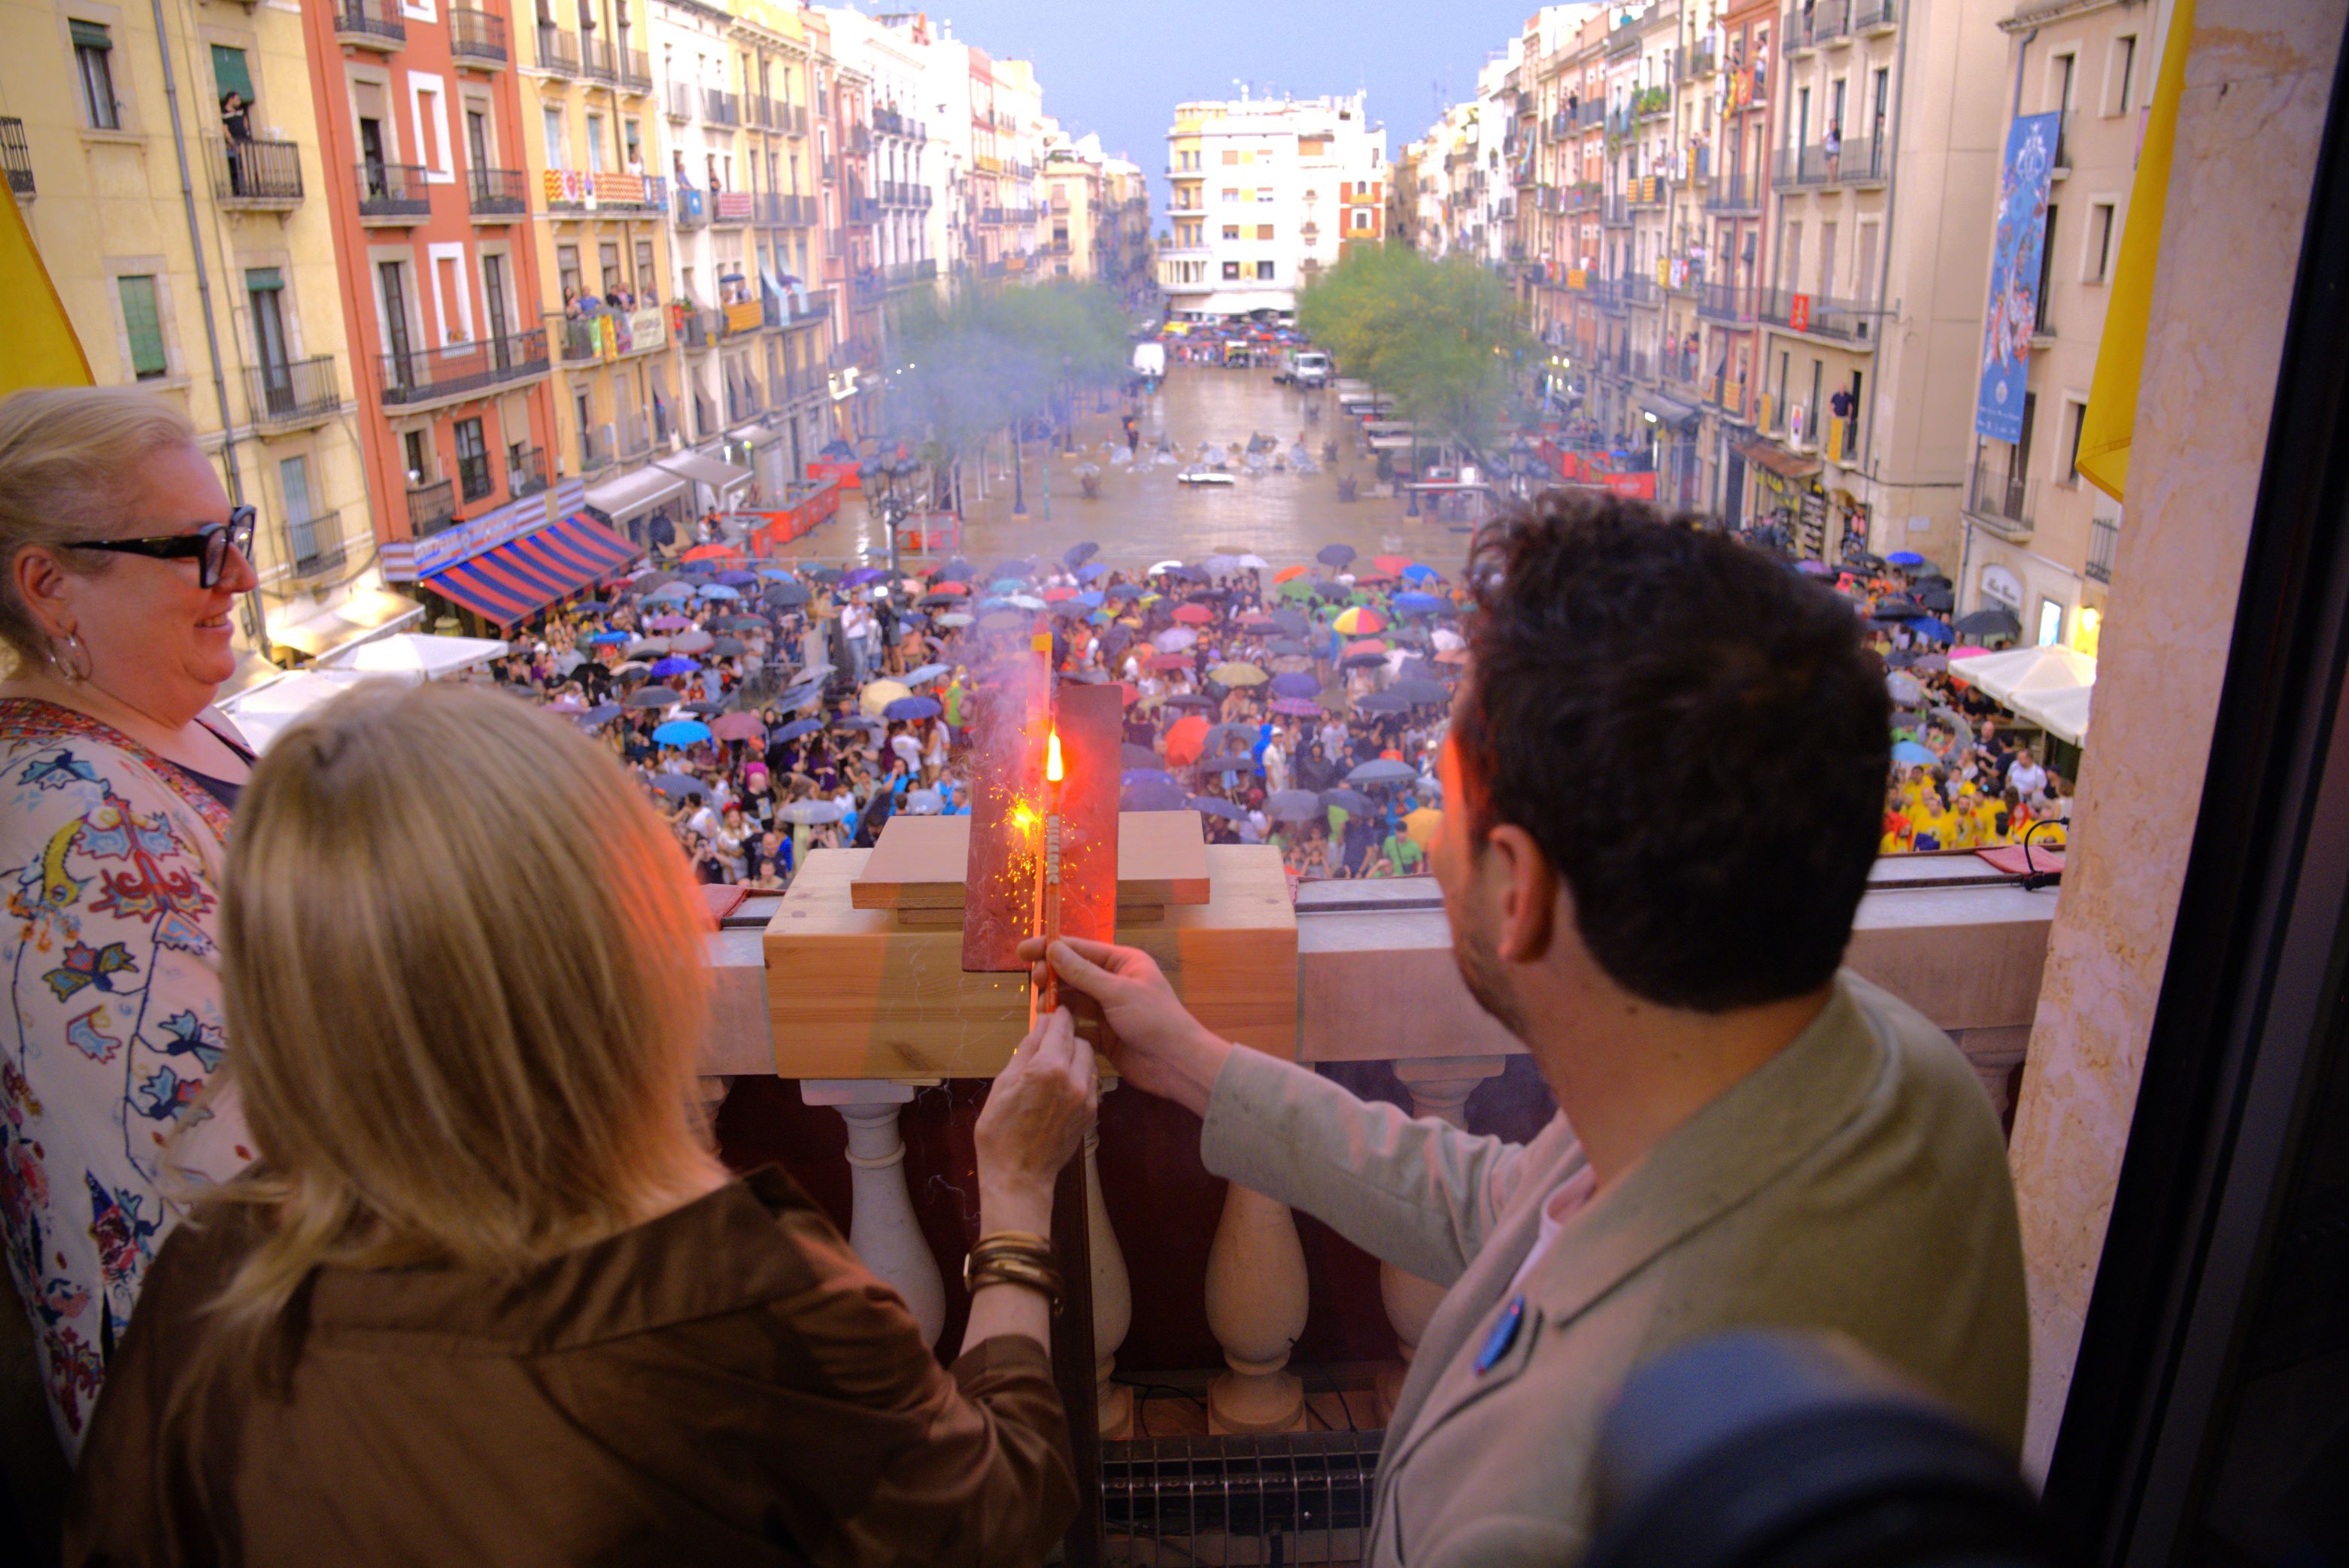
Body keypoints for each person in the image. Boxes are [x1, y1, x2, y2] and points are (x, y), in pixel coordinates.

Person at [1025, 493, 2027, 1566]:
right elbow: (1511, 1212)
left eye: (1449, 806)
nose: (1430, 847)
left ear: (1520, 893)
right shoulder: (1904, 1076)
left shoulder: (1528, 1510)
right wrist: (1194, 1064)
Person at [68, 683, 1091, 1564]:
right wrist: (1013, 1199)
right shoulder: (727, 1295)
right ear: (606, 967)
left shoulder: (211, 1274)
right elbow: (997, 1511)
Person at [0, 387, 263, 1457]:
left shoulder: (183, 732)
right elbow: (214, 1174)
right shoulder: (73, 819)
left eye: (234, 531)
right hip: (232, 1419)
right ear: (49, 586)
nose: (239, 575)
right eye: (195, 547)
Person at [219, 91, 253, 196]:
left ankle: (245, 190)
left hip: (243, 143)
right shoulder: (224, 113)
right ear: (231, 99)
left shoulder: (240, 111)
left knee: (243, 168)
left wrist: (247, 133)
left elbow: (245, 122)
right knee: (235, 168)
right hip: (232, 146)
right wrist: (231, 142)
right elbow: (225, 129)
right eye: (237, 99)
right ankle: (238, 191)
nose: (239, 101)